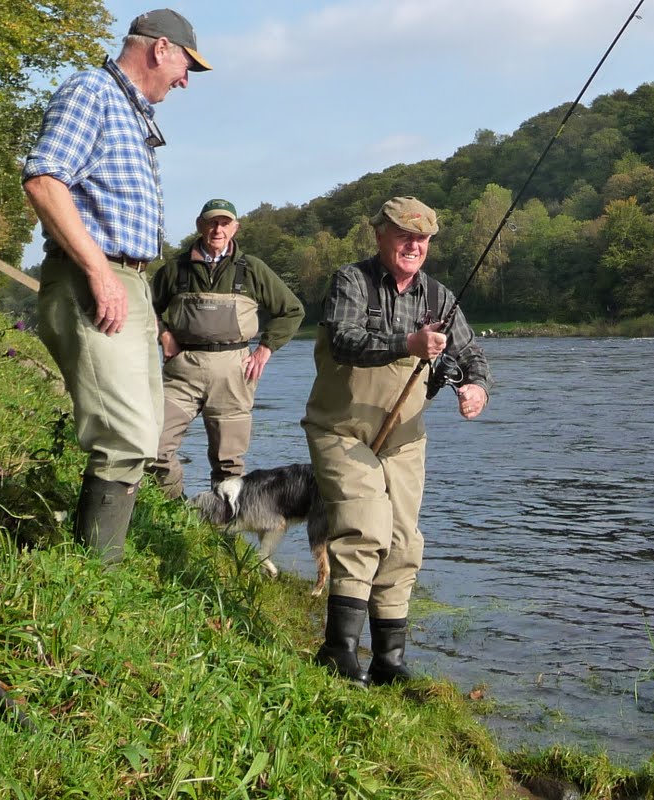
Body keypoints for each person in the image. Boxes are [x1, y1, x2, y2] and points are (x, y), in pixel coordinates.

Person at [21, 8, 211, 564]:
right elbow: (44, 179)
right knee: (125, 432)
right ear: (160, 49)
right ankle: (96, 572)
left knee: (143, 431)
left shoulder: (130, 112)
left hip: (129, 281)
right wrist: (101, 275)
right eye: (185, 66)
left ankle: (100, 565)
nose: (183, 81)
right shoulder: (93, 93)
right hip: (95, 277)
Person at [302, 196, 490, 685]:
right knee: (364, 528)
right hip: (339, 429)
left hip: (404, 439)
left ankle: (390, 661)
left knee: (404, 541)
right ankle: (338, 650)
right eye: (405, 235)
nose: (414, 245)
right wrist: (407, 344)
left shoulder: (440, 298)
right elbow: (343, 339)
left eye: (422, 238)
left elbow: (473, 357)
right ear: (380, 234)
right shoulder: (351, 281)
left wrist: (475, 388)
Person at [149, 198, 304, 497]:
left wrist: (265, 348)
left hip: (235, 372)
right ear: (200, 226)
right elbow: (144, 308)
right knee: (153, 445)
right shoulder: (175, 269)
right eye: (211, 222)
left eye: (224, 223)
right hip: (183, 371)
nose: (217, 229)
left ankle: (219, 532)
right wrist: (164, 335)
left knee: (229, 467)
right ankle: (176, 511)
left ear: (235, 228)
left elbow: (292, 311)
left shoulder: (253, 269)